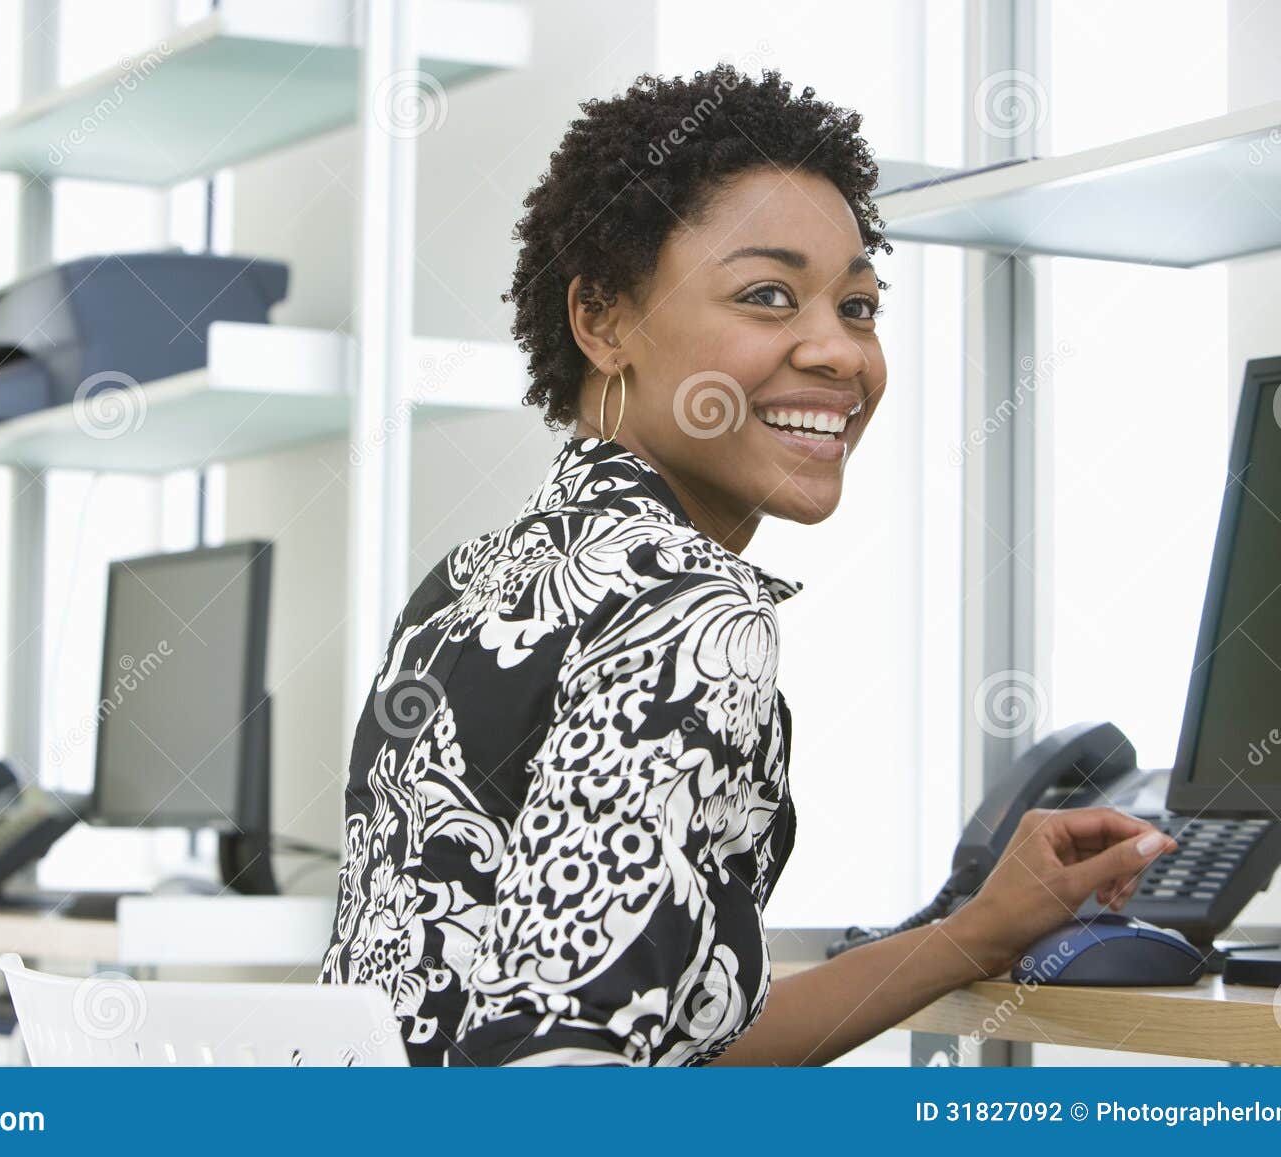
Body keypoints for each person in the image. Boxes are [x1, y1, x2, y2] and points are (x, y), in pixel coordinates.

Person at [317, 64, 1177, 1066]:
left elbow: (639, 1034)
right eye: (768, 296)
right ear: (600, 320)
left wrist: (971, 934)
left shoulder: (471, 579)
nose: (841, 353)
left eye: (857, 305)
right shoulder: (689, 608)